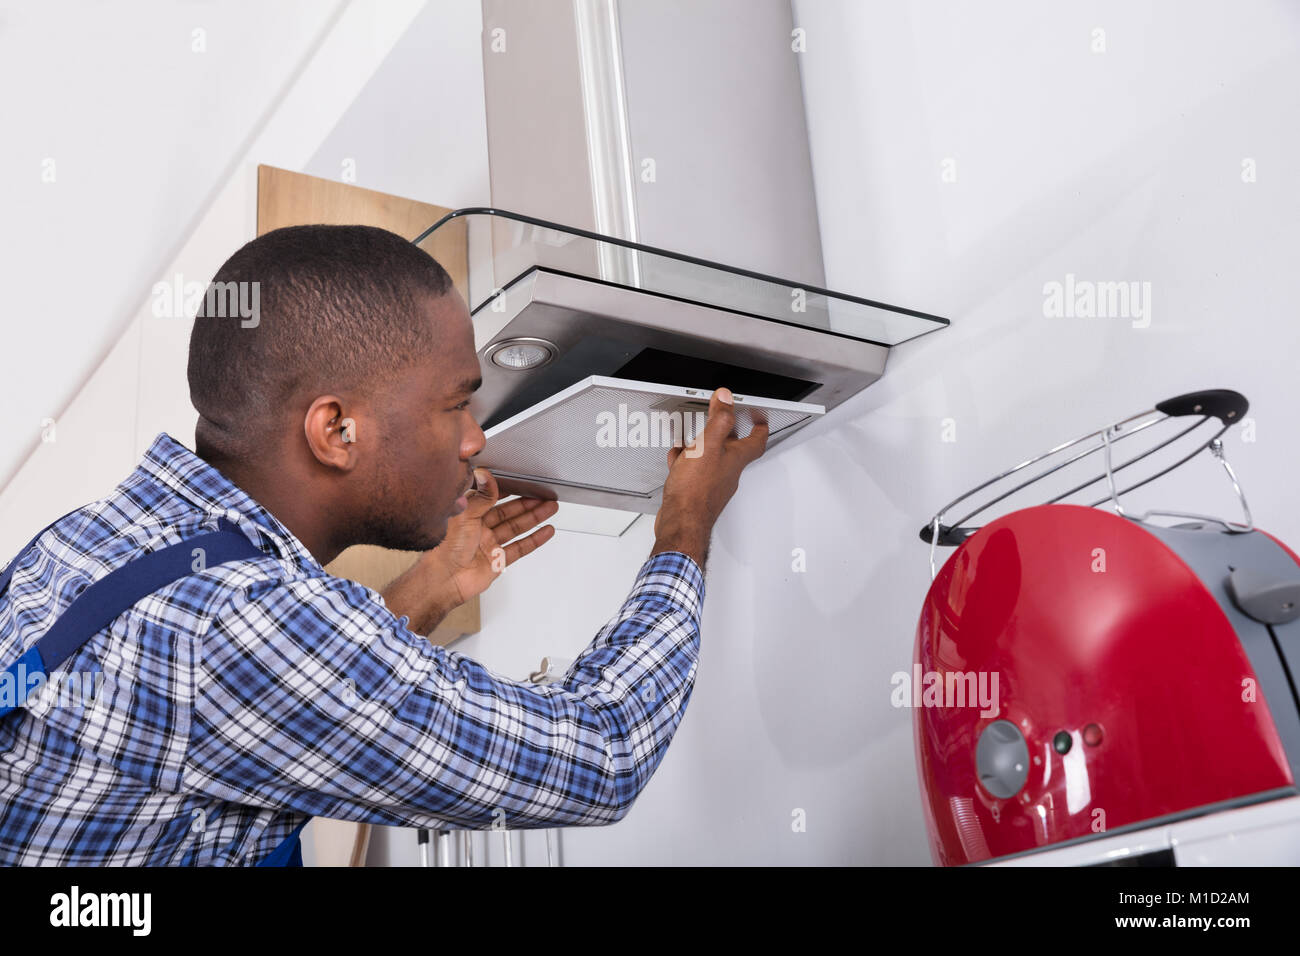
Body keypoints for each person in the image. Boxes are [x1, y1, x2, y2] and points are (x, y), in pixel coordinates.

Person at [0, 224, 767, 865]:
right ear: (337, 431)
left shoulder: (101, 536)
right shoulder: (246, 629)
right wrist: (684, 529)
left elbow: (259, 710)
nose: (475, 439)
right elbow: (604, 757)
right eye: (456, 403)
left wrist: (426, 593)